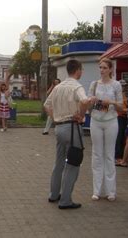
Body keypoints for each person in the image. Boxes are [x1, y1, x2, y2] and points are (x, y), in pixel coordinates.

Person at [44, 59, 91, 209]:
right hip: (72, 128)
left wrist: (55, 118)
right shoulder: (77, 87)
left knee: (58, 162)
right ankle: (65, 200)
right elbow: (84, 101)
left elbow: (46, 105)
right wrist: (81, 116)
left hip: (59, 128)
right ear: (77, 70)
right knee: (73, 164)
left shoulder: (58, 87)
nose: (82, 72)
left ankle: (53, 194)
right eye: (81, 70)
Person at [88, 58, 123, 202]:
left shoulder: (116, 85)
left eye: (104, 68)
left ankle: (111, 191)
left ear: (110, 69)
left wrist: (112, 102)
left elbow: (121, 106)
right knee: (97, 155)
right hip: (96, 121)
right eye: (100, 67)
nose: (101, 70)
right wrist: (92, 101)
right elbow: (88, 105)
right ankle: (97, 190)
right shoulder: (94, 84)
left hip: (111, 122)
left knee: (109, 155)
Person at [115, 79, 128, 163]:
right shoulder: (116, 96)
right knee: (119, 137)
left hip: (124, 118)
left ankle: (122, 155)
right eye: (122, 86)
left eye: (125, 86)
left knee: (123, 137)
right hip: (118, 117)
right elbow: (117, 108)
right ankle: (117, 156)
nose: (124, 87)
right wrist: (126, 110)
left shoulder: (125, 95)